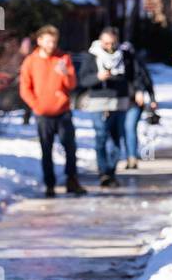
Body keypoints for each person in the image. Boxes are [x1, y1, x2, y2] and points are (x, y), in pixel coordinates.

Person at [19, 25, 86, 197]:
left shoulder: (63, 58)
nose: (52, 45)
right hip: (42, 114)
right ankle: (50, 184)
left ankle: (72, 180)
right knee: (46, 149)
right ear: (40, 41)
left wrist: (66, 74)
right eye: (48, 41)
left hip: (63, 111)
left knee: (70, 147)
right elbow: (25, 88)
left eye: (54, 42)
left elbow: (72, 85)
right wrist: (36, 105)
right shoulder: (30, 62)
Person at [74, 27, 130, 188]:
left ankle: (111, 171)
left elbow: (133, 76)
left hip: (119, 100)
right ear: (100, 41)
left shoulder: (124, 56)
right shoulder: (91, 56)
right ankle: (103, 172)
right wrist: (97, 77)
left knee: (116, 138)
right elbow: (83, 80)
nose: (109, 47)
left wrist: (137, 91)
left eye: (112, 43)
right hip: (98, 101)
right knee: (101, 136)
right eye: (106, 43)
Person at [118, 39, 158, 171]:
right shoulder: (116, 64)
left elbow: (146, 81)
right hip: (120, 101)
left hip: (135, 101)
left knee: (129, 128)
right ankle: (127, 156)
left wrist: (151, 98)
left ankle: (132, 157)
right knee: (123, 130)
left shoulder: (138, 65)